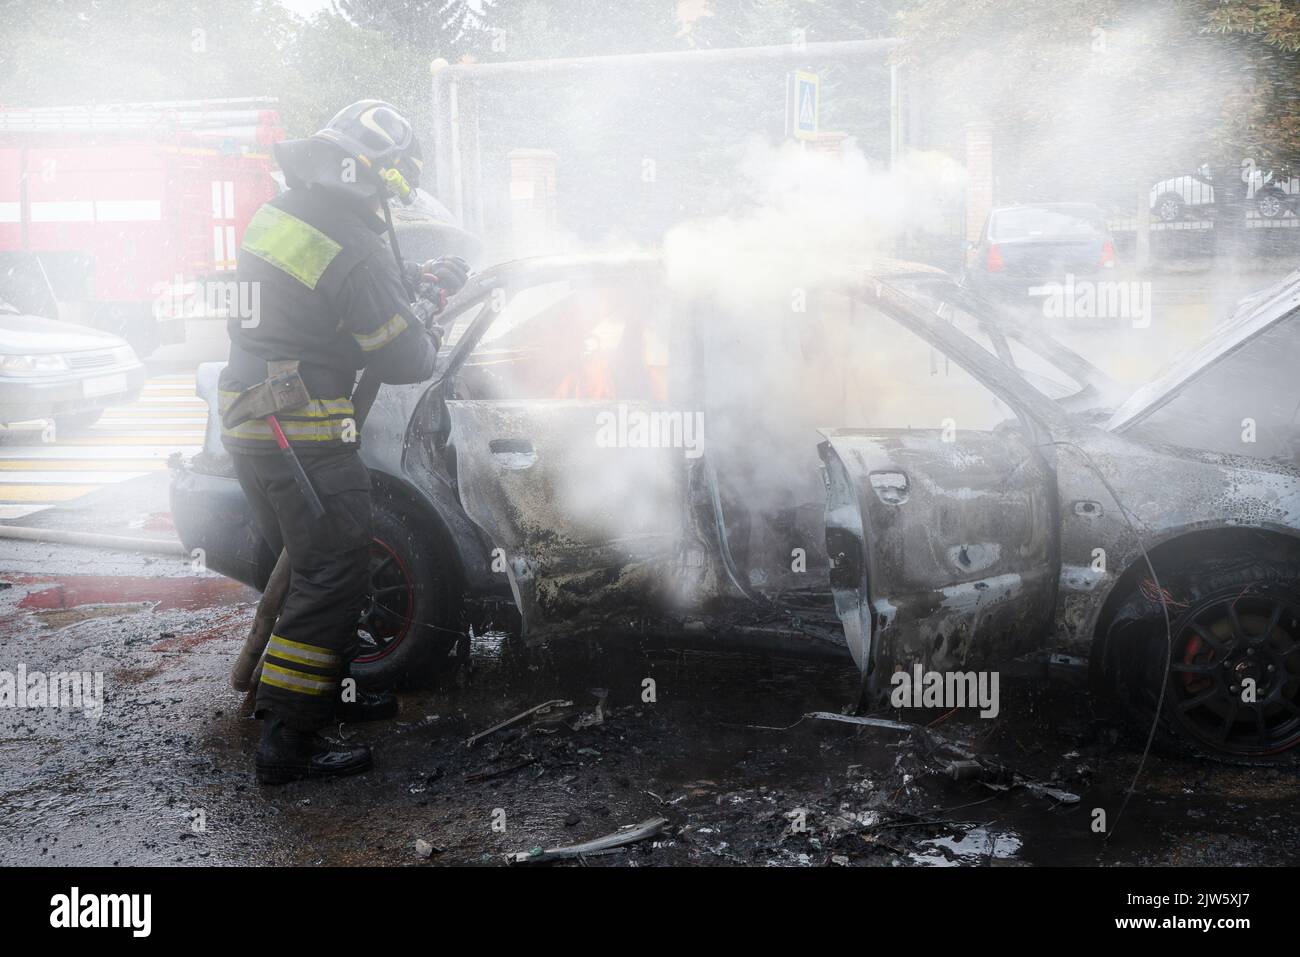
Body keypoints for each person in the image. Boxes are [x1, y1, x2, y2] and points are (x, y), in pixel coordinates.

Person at [219, 100, 469, 784]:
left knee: (308, 567)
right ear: (376, 177)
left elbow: (315, 304)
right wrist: (423, 309)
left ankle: (327, 695)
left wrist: (403, 286)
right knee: (333, 574)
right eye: (392, 188)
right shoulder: (353, 242)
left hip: (254, 420)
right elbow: (405, 356)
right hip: (302, 431)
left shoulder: (288, 213)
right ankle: (288, 742)